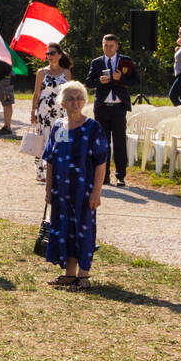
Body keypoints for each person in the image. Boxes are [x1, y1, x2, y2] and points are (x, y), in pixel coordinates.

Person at [41, 82, 108, 291]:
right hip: (61, 191)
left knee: (83, 229)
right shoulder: (58, 126)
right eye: (70, 98)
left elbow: (101, 163)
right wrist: (48, 188)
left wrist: (97, 192)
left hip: (83, 190)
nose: (75, 102)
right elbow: (50, 159)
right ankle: (70, 275)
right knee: (65, 228)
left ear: (85, 101)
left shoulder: (93, 127)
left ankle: (83, 276)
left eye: (79, 98)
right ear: (62, 102)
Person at [83, 34, 134, 187]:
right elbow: (88, 82)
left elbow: (134, 81)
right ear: (102, 45)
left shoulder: (126, 61)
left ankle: (120, 176)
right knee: (103, 143)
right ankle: (104, 176)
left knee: (119, 142)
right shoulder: (97, 62)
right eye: (105, 45)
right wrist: (99, 81)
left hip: (119, 108)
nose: (108, 48)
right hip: (102, 108)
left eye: (111, 45)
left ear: (117, 46)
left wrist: (121, 79)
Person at [29, 43, 72, 182]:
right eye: (48, 54)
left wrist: (72, 112)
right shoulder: (41, 72)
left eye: (52, 53)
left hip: (61, 112)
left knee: (60, 140)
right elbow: (36, 94)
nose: (49, 56)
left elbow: (70, 93)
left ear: (60, 55)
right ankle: (39, 170)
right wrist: (32, 112)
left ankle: (57, 169)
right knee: (42, 139)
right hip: (44, 112)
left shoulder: (66, 73)